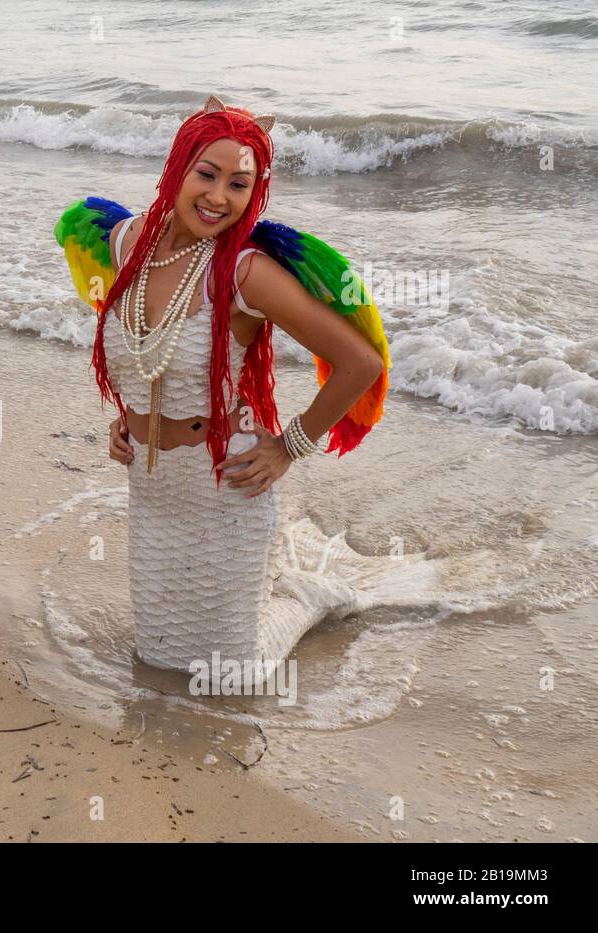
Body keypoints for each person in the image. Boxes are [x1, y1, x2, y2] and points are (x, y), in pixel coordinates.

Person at [60, 96, 389, 684]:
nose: (218, 197)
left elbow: (359, 362)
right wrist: (131, 418)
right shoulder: (126, 243)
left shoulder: (244, 271)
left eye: (239, 184)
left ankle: (306, 598)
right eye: (206, 174)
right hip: (153, 486)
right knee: (159, 658)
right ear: (178, 166)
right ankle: (277, 589)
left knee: (234, 673)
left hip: (228, 483)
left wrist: (288, 448)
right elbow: (141, 347)